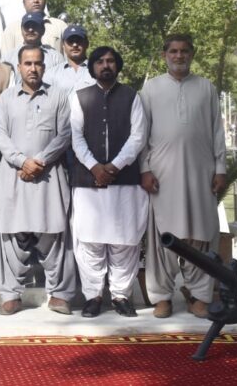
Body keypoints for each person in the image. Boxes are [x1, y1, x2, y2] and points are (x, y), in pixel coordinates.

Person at [141, 34, 227, 319]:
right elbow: (141, 135)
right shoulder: (151, 89)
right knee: (162, 238)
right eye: (173, 51)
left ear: (193, 53)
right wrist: (145, 169)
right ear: (164, 54)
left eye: (184, 51)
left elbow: (217, 132)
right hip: (162, 176)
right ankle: (161, 296)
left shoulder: (206, 88)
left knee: (200, 236)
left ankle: (200, 295)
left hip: (201, 174)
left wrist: (221, 168)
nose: (179, 56)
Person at [0, 46, 77, 316]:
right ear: (18, 67)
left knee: (54, 231)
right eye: (27, 63)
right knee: (10, 232)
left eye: (37, 63)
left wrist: (38, 161)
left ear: (44, 66)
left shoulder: (59, 96)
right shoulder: (7, 98)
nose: (33, 68)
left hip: (49, 176)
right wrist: (22, 161)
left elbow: (65, 134)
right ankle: (10, 294)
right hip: (13, 175)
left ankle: (60, 294)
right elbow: (1, 137)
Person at [70, 47, 147, 319]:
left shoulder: (131, 96)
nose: (105, 66)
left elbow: (138, 137)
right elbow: (76, 137)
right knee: (89, 240)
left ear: (118, 66)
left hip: (124, 179)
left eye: (110, 61)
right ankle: (93, 296)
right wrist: (94, 166)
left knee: (124, 241)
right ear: (92, 67)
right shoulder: (79, 97)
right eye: (100, 61)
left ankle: (121, 295)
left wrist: (114, 166)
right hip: (88, 181)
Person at [0, 0, 67, 54]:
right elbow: (6, 60)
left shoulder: (60, 26)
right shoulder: (12, 29)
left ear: (45, 1)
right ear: (24, 3)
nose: (36, 0)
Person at [2, 14, 64, 85]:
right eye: (27, 26)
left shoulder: (56, 57)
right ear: (21, 30)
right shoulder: (8, 58)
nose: (30, 30)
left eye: (34, 26)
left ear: (43, 30)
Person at [43, 25, 92, 94]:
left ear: (87, 43)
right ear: (63, 45)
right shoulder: (52, 74)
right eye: (70, 41)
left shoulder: (99, 71)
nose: (75, 45)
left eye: (78, 41)